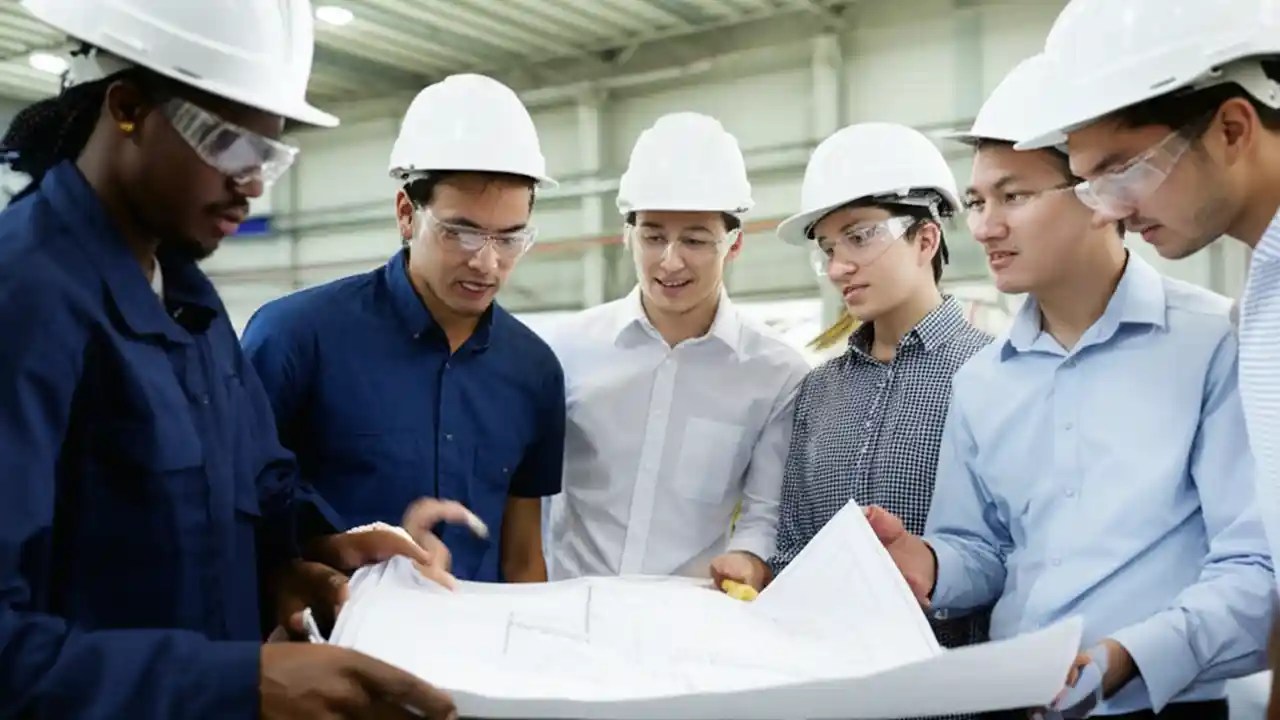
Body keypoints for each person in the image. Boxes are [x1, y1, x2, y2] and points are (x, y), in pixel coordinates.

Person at [0, 1, 473, 718]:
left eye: (267, 156)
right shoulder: (26, 299)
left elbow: (249, 487)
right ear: (126, 109)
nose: (251, 183)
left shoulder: (185, 301)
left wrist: (310, 550)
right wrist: (240, 683)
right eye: (226, 144)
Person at [866, 54, 1276, 719]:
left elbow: (1254, 566)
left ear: (1101, 192)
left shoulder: (1215, 344)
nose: (985, 226)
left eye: (1014, 196)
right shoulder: (981, 381)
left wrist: (1128, 657)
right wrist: (929, 563)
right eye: (978, 202)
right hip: (1017, 702)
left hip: (1165, 704)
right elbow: (986, 551)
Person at [243, 73, 565, 585]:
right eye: (460, 233)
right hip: (333, 629)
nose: (486, 263)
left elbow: (523, 559)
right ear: (406, 215)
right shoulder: (295, 338)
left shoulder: (534, 371)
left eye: (509, 239)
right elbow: (237, 515)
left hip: (475, 634)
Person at [1013, 0, 1280, 602]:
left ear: (1232, 130)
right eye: (1092, 186)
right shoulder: (1260, 297)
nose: (1108, 212)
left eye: (1122, 172)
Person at [767, 121, 993, 720]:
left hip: (950, 703)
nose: (839, 266)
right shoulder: (818, 392)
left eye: (860, 237)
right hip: (828, 698)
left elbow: (1018, 554)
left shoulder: (994, 375)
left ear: (925, 238)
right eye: (828, 248)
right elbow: (793, 548)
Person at [541, 112, 809, 589]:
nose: (670, 261)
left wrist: (749, 559)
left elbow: (765, 513)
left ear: (734, 244)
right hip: (571, 607)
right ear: (628, 235)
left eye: (695, 240)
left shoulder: (776, 374)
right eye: (653, 236)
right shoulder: (566, 350)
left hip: (690, 614)